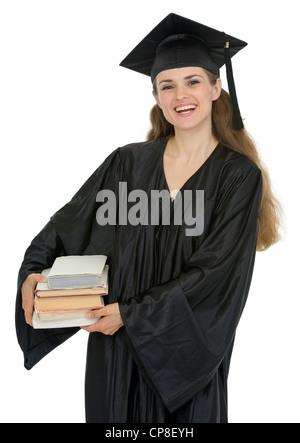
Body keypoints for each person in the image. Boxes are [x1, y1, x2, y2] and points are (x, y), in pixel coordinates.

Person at [16, 13, 281, 423]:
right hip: (113, 357)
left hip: (185, 364)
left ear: (216, 87)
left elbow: (217, 274)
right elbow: (67, 229)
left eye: (193, 81)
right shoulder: (127, 164)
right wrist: (34, 273)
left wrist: (132, 313)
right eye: (167, 85)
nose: (181, 95)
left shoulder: (238, 177)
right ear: (157, 96)